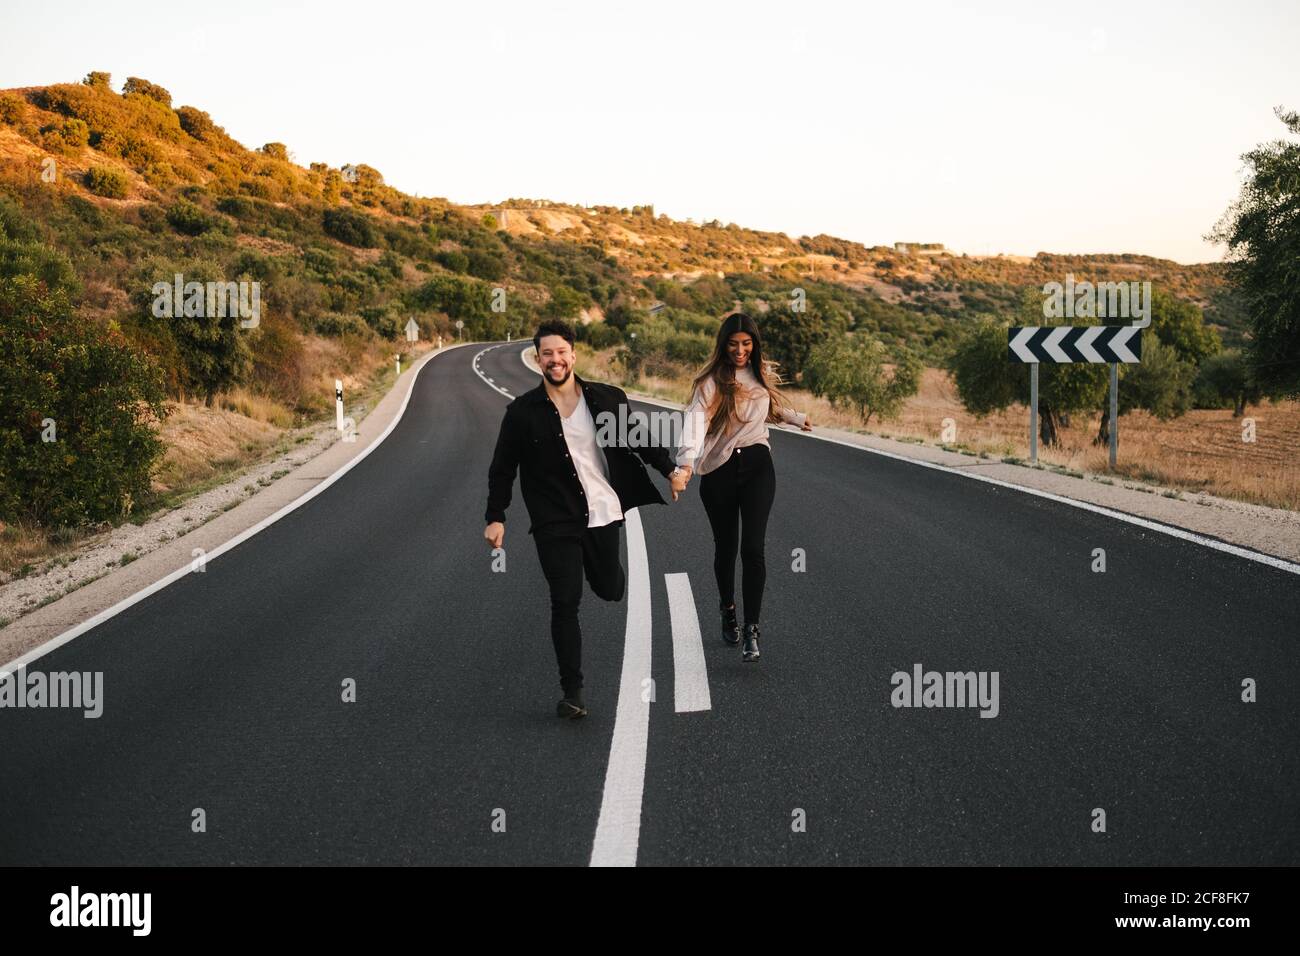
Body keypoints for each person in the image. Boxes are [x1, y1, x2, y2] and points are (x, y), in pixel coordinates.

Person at [485, 321, 689, 718]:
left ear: (573, 355)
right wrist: (496, 517)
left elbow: (638, 437)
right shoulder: (522, 414)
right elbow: (502, 469)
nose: (555, 360)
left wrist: (669, 471)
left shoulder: (605, 399)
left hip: (603, 513)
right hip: (554, 521)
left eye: (561, 352)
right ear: (537, 358)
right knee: (565, 601)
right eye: (547, 353)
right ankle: (572, 692)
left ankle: (608, 575)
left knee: (611, 588)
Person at [674, 313, 812, 662]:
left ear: (754, 345)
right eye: (734, 344)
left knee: (753, 548)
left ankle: (752, 628)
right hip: (718, 470)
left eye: (746, 344)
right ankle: (728, 608)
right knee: (726, 547)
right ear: (724, 345)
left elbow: (766, 409)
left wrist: (796, 419)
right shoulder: (710, 382)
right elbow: (694, 422)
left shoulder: (758, 374)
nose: (740, 351)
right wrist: (686, 464)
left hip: (757, 466)